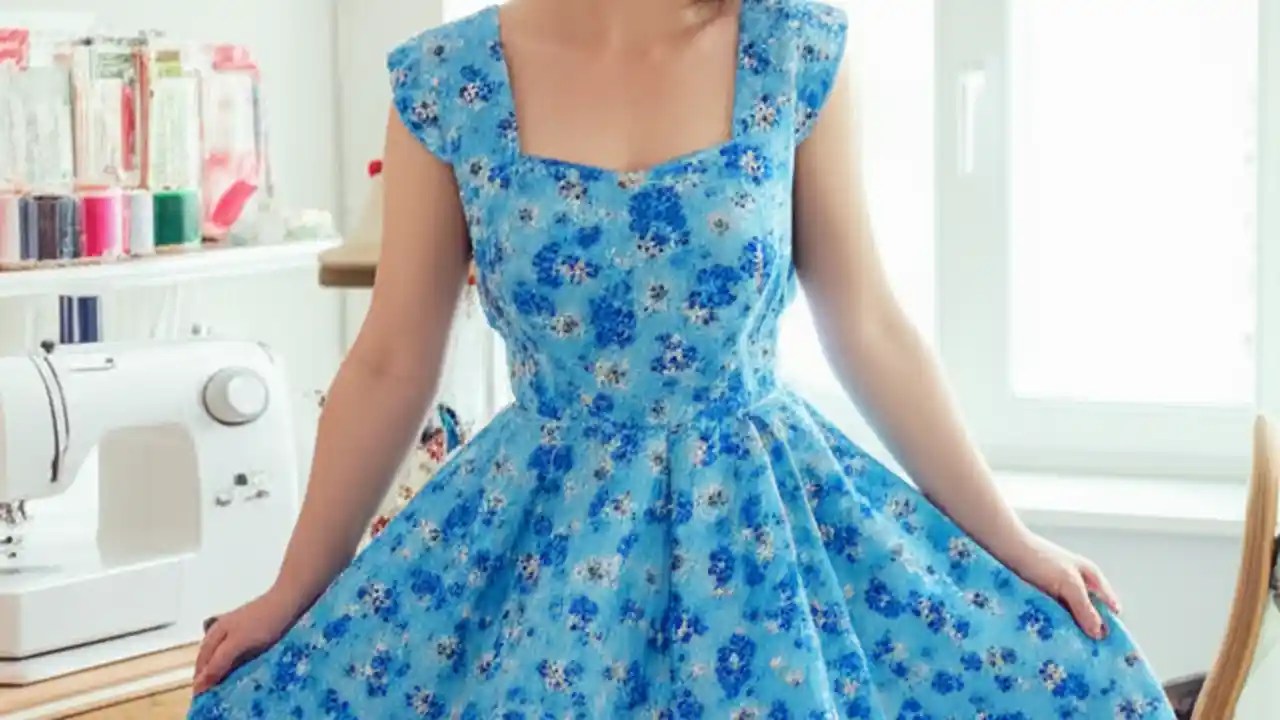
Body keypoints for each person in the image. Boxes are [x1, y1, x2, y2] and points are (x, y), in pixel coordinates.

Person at [188, 0, 1176, 717]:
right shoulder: (448, 81)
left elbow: (866, 324)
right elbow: (390, 362)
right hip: (538, 544)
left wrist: (1011, 542)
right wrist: (293, 591)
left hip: (761, 534)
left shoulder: (787, 49)